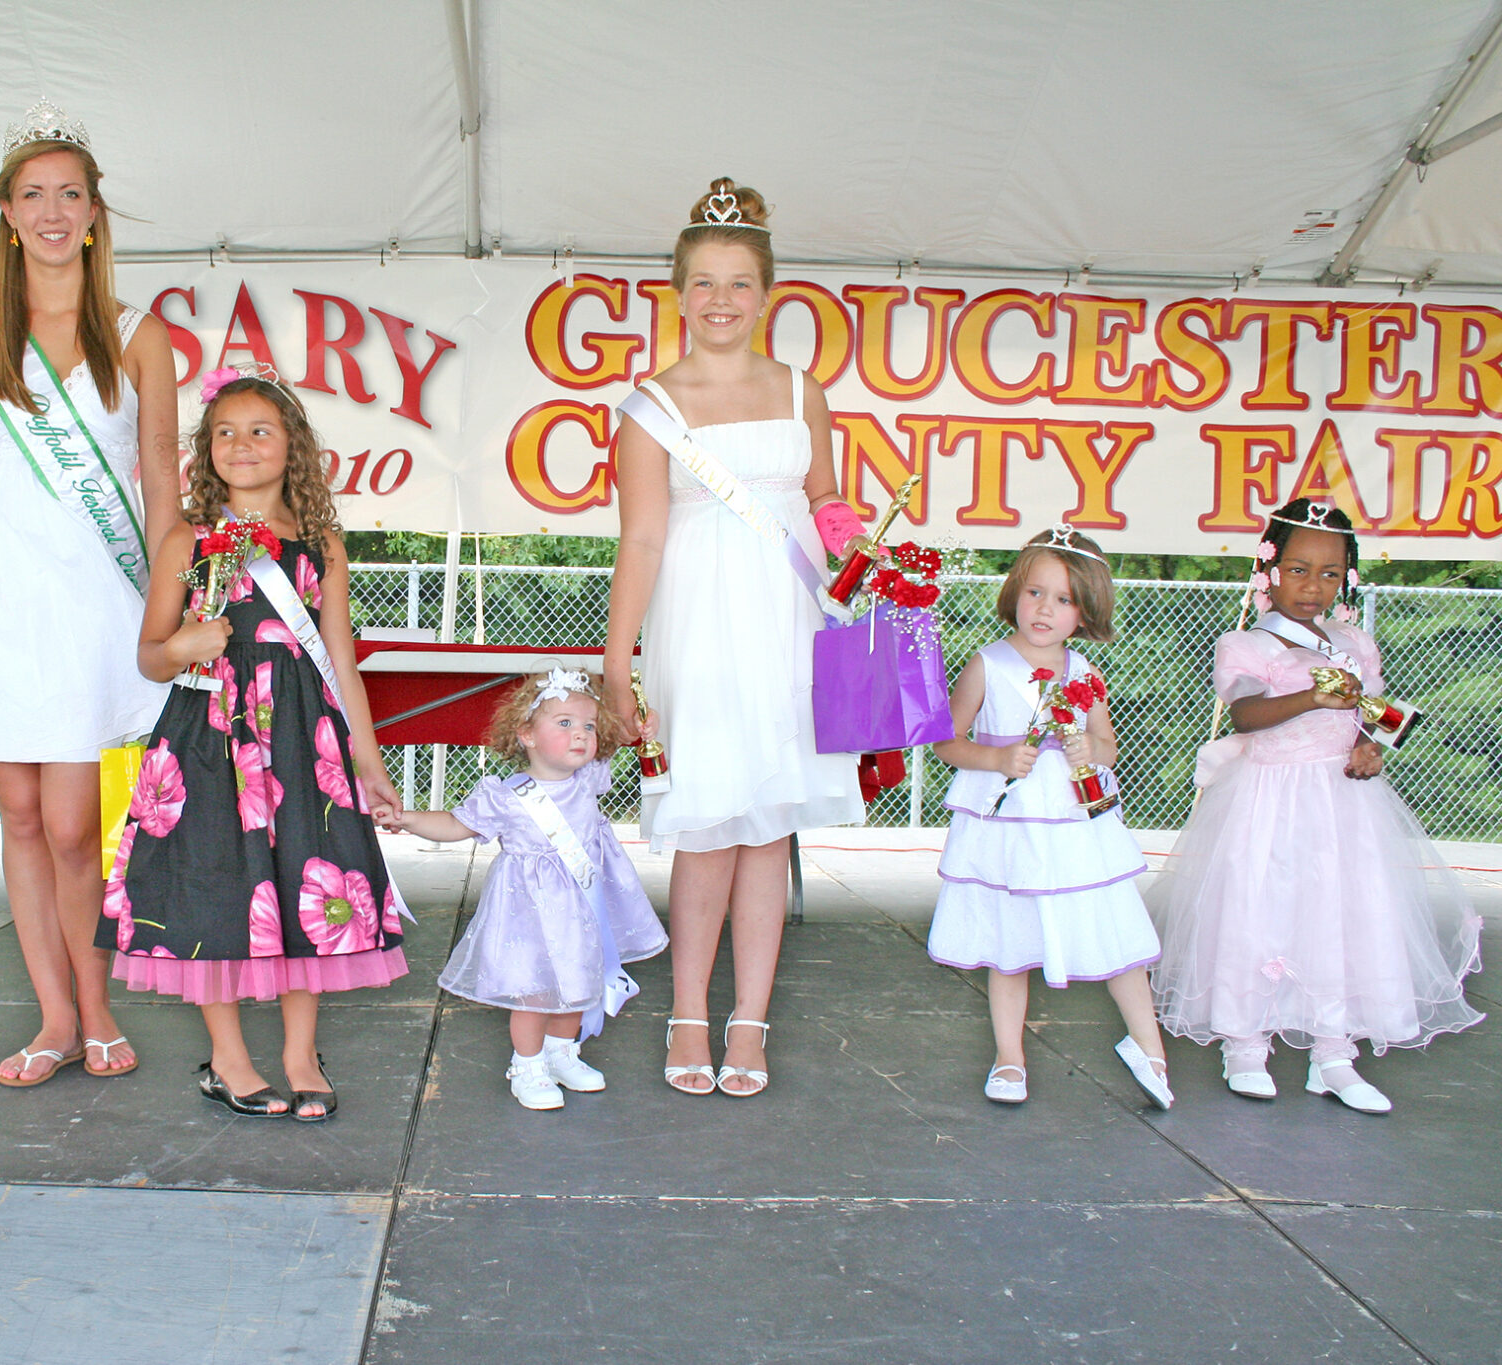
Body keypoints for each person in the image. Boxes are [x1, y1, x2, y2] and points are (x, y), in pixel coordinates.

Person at [0, 101, 179, 1087]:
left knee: (73, 823)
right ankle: (56, 1017)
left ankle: (98, 1005)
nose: (53, 211)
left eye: (70, 194)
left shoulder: (138, 335)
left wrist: (172, 599)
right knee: (20, 817)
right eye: (34, 195)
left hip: (91, 601)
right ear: (8, 213)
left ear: (95, 213)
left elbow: (162, 480)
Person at [601, 177, 867, 1097]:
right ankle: (687, 1013)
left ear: (767, 294)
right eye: (705, 282)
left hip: (790, 620)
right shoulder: (649, 406)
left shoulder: (803, 390)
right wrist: (618, 665)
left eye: (740, 282)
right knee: (710, 823)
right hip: (701, 623)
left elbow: (824, 498)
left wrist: (857, 543)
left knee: (769, 827)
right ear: (678, 293)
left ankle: (749, 1019)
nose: (722, 298)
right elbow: (641, 538)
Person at [98, 365, 405, 1122]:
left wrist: (367, 762)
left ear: (292, 444)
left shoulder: (323, 545)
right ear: (207, 451)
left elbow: (341, 662)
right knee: (216, 885)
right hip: (209, 738)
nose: (241, 445)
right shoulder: (187, 539)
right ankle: (229, 1057)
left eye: (260, 431)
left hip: (303, 739)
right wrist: (183, 645)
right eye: (225, 433)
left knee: (307, 880)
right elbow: (150, 655)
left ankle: (301, 1054)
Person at [1148, 499, 1483, 1113]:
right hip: (1269, 796)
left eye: (1330, 574)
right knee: (1257, 910)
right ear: (1270, 568)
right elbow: (1245, 714)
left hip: (1342, 802)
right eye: (1299, 570)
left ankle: (1333, 1054)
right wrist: (1310, 698)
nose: (1313, 586)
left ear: (1347, 577)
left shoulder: (1354, 641)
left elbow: (1374, 715)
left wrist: (1368, 747)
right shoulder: (1248, 643)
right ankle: (1245, 1045)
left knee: (1341, 915)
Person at [927, 527, 1173, 1108]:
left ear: (1084, 612)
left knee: (1112, 922)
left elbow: (1107, 744)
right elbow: (946, 740)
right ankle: (1009, 1057)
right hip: (1012, 825)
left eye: (1064, 599)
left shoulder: (1083, 670)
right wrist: (995, 758)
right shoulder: (988, 664)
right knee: (1009, 940)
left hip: (1074, 820)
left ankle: (1150, 1050)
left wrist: (1091, 749)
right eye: (1035, 592)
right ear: (1014, 592)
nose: (1045, 609)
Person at [376, 671, 668, 1110]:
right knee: (535, 993)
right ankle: (527, 1066)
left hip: (581, 910)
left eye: (589, 726)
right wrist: (407, 819)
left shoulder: (588, 779)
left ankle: (561, 1053)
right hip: (529, 915)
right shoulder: (505, 797)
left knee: (580, 981)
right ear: (527, 734)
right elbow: (455, 824)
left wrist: (644, 723)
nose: (580, 734)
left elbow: (629, 731)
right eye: (564, 723)